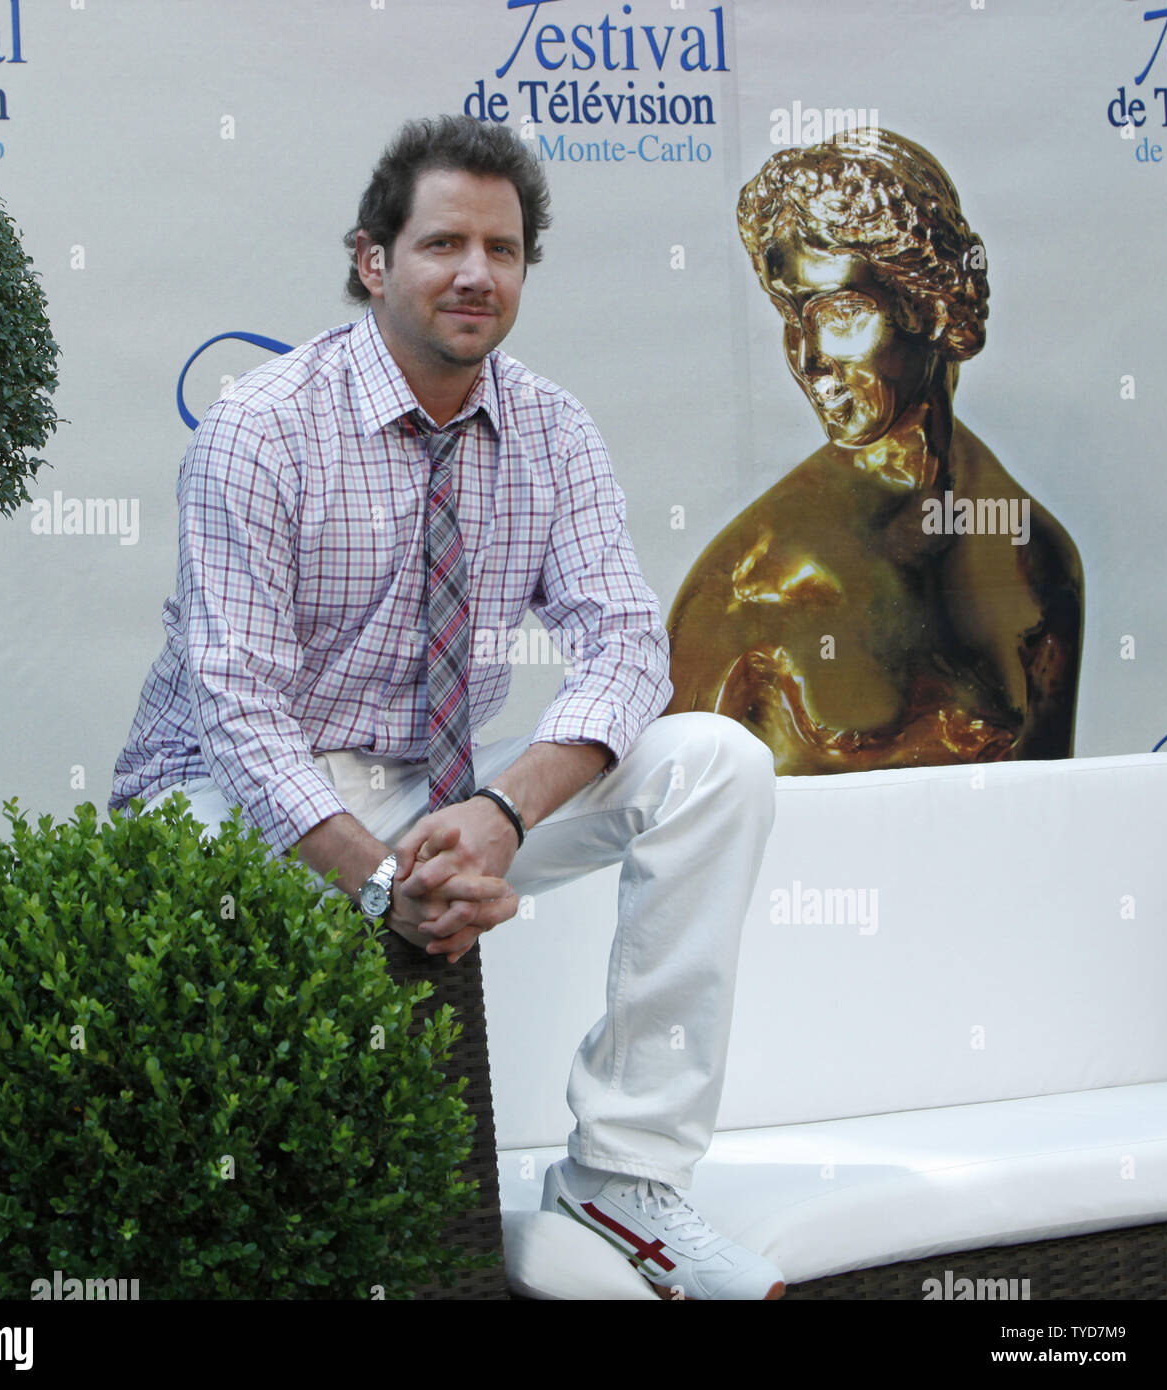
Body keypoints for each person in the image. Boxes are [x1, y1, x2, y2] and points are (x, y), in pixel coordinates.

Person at [109, 114, 779, 1301]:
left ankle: (621, 1173)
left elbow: (626, 648)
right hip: (221, 796)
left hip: (444, 788)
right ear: (373, 259)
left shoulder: (552, 429)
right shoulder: (262, 428)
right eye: (442, 244)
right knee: (232, 823)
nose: (476, 273)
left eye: (504, 249)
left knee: (714, 761)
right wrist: (384, 882)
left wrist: (502, 816)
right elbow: (236, 707)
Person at [665, 129, 1083, 774]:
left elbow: (1054, 821)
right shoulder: (749, 589)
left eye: (839, 313)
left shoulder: (1035, 555)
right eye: (788, 315)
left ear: (934, 305)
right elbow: (669, 838)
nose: (807, 359)